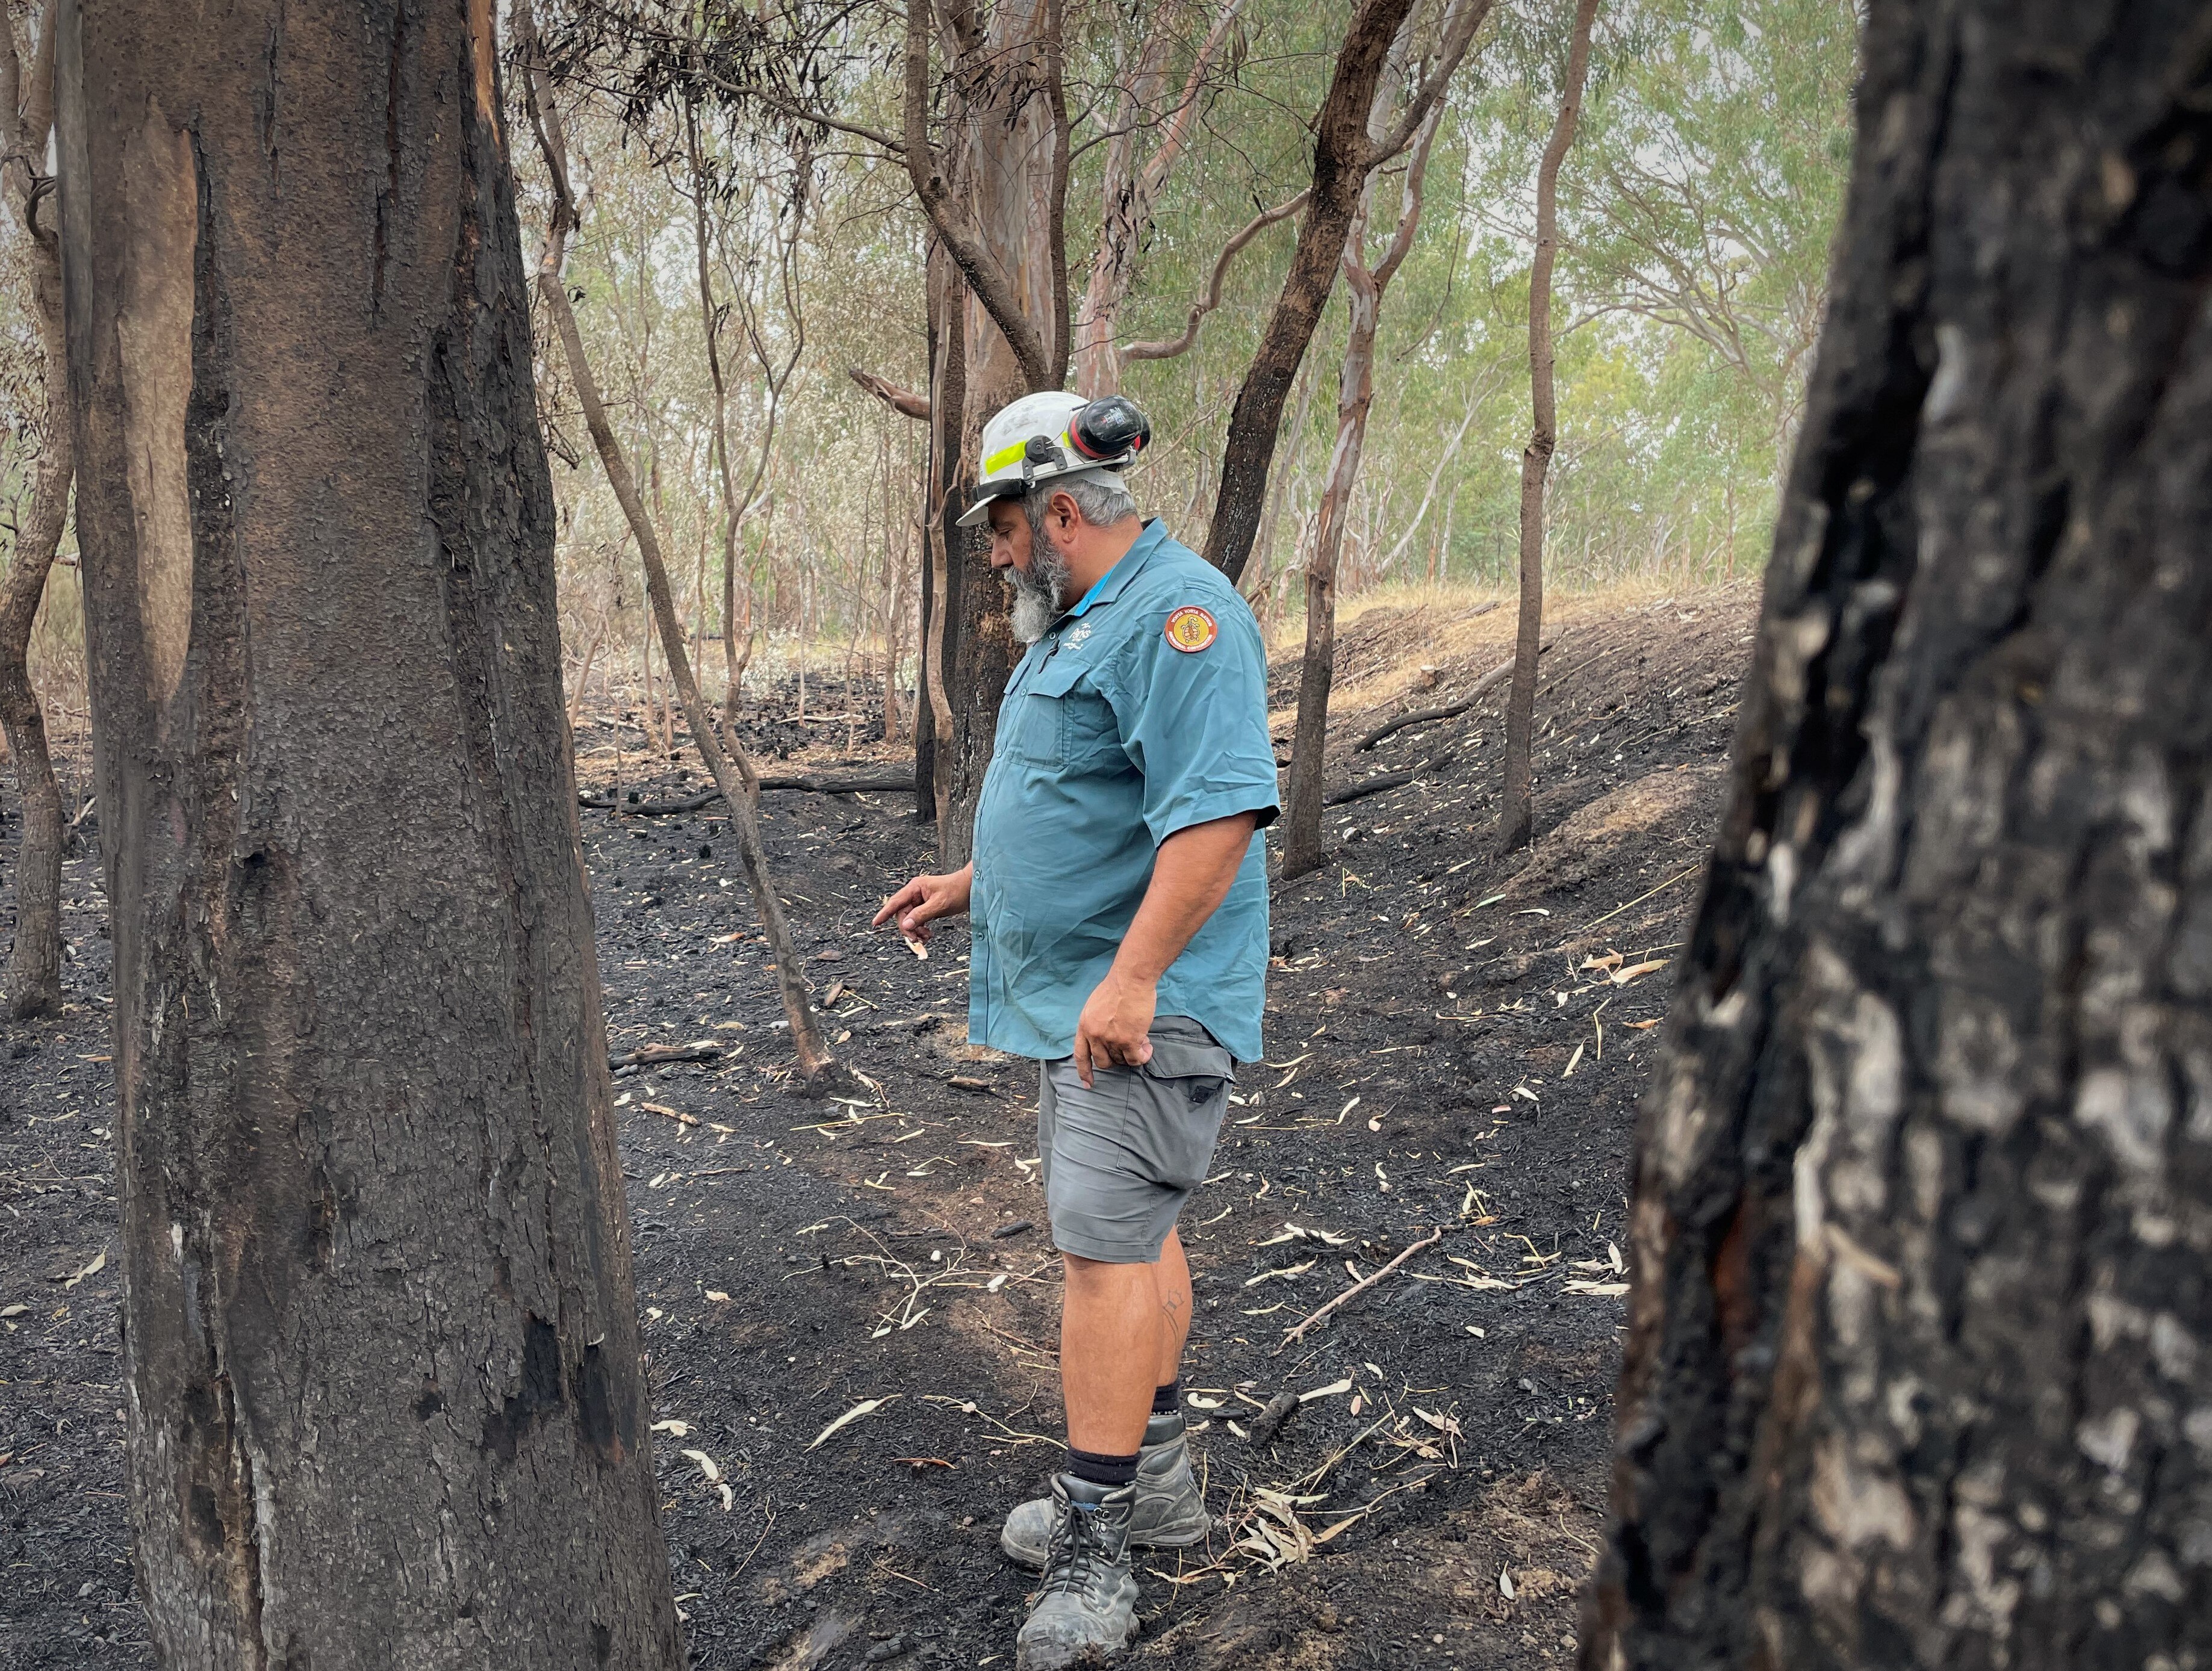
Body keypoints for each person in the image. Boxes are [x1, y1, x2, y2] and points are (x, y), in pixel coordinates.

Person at [874, 390, 1278, 1669]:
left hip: (1136, 1005)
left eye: (1000, 527)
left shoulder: (1177, 613)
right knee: (1133, 1235)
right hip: (1091, 997)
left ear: (1057, 511)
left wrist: (1134, 978)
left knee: (1099, 1254)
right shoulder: (1087, 617)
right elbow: (1089, 807)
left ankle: (1097, 1539)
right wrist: (971, 881)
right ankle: (1150, 1483)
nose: (993, 552)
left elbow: (1214, 815)